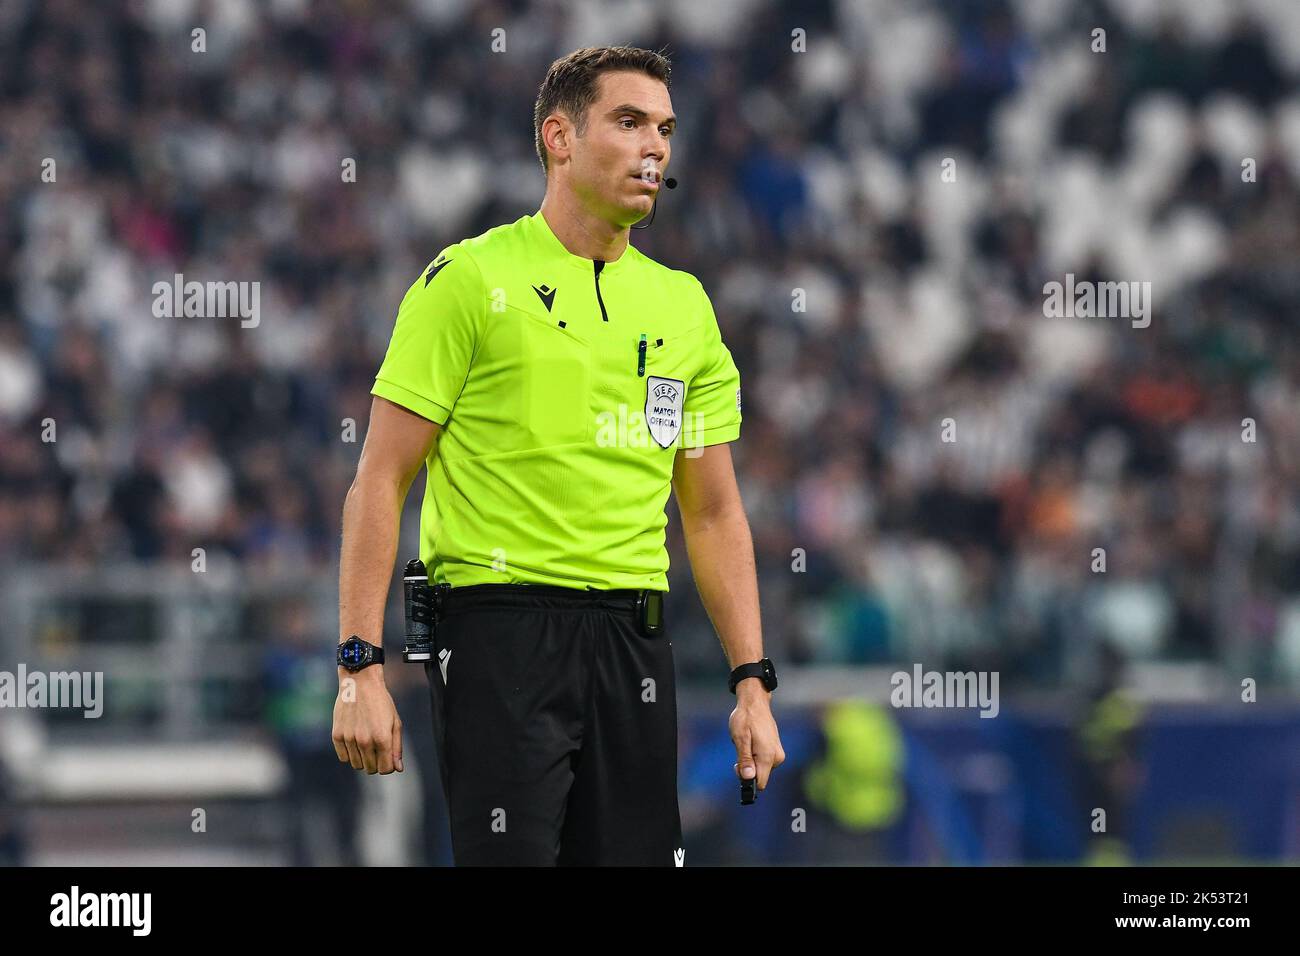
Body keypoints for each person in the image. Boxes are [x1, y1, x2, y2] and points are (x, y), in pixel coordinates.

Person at [331, 44, 784, 866]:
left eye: (666, 129)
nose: (655, 146)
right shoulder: (468, 281)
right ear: (559, 137)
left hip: (635, 639)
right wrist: (360, 665)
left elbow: (713, 512)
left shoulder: (684, 308)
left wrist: (751, 679)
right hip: (501, 634)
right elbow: (379, 480)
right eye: (629, 121)